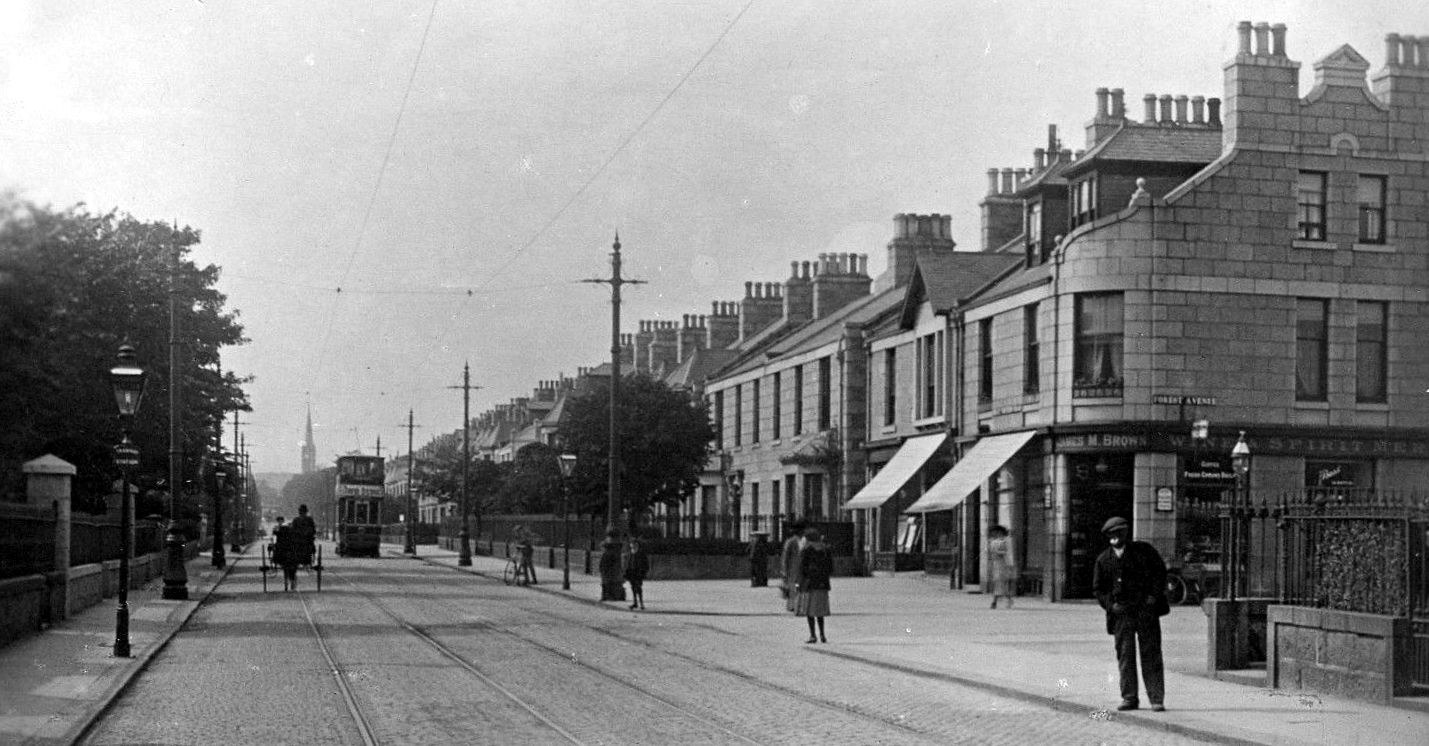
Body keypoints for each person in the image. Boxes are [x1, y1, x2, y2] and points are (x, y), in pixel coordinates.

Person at [1093, 516, 1170, 712]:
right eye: (1113, 534)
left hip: (1145, 611)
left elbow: (1159, 573)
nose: (1117, 536)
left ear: (1127, 533)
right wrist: (1111, 606)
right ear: (1108, 536)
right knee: (1125, 656)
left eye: (1121, 532)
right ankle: (1129, 697)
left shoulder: (1144, 552)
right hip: (1121, 614)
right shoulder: (1103, 560)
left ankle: (1156, 699)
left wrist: (1153, 596)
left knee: (1151, 654)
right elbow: (1099, 589)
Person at [796, 528, 833, 643]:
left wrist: (799, 583)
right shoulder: (826, 550)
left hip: (810, 584)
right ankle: (822, 635)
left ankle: (813, 635)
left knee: (809, 611)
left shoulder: (806, 550)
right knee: (820, 612)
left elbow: (801, 569)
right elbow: (831, 568)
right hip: (822, 584)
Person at [986, 525, 1016, 609]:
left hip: (1002, 564)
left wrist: (996, 551)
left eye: (995, 532)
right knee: (999, 583)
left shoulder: (1004, 541)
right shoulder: (994, 541)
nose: (994, 534)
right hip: (995, 564)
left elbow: (1005, 552)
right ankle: (1008, 598)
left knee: (999, 582)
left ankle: (994, 602)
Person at [780, 522, 806, 612]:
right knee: (793, 587)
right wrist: (784, 570)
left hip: (800, 568)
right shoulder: (791, 542)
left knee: (798, 587)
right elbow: (785, 557)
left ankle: (797, 604)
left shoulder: (803, 540)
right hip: (792, 569)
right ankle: (792, 605)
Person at [271, 517, 302, 591]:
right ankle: (292, 579)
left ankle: (290, 579)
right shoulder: (293, 532)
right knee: (292, 566)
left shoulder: (281, 531)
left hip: (285, 552)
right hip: (290, 552)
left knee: (287, 566)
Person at [624, 538, 650, 610]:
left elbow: (646, 564)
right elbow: (627, 564)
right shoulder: (629, 553)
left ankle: (641, 603)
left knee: (638, 588)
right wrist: (626, 572)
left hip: (638, 573)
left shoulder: (641, 554)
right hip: (631, 573)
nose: (632, 545)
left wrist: (644, 572)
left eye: (634, 544)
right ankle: (635, 602)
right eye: (631, 544)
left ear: (637, 545)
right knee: (633, 588)